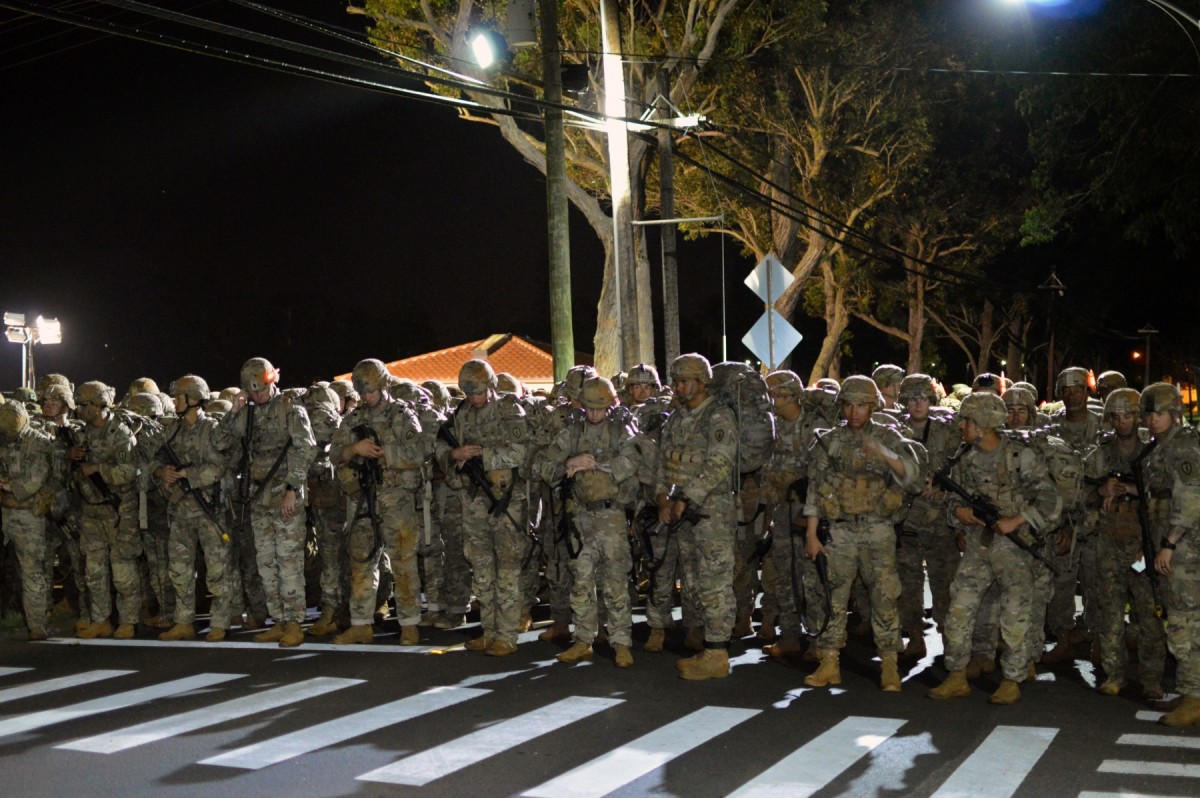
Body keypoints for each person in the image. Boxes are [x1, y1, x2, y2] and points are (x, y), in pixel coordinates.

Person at [929, 392, 1061, 705]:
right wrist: (960, 514)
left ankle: (1012, 678)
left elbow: (1052, 501)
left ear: (985, 424)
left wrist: (1017, 520)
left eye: (968, 420)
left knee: (1015, 614)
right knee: (959, 610)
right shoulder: (965, 457)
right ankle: (956, 674)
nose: (962, 425)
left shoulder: (1019, 456)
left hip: (1015, 549)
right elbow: (953, 500)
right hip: (979, 546)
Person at [803, 376, 926, 692]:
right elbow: (816, 490)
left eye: (861, 405)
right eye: (849, 404)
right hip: (841, 530)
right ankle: (829, 662)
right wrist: (812, 535)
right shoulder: (829, 441)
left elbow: (912, 478)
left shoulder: (890, 436)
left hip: (877, 528)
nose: (854, 411)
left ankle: (889, 666)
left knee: (884, 596)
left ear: (872, 406)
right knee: (835, 595)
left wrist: (883, 452)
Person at [213, 357, 317, 648]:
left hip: (285, 494)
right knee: (266, 564)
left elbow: (305, 448)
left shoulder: (289, 407)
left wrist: (293, 488)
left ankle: (295, 622)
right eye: (252, 391)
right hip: (258, 498)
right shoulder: (245, 413)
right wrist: (233, 411)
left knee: (288, 561)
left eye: (262, 389)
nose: (258, 396)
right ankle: (279, 620)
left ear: (272, 382)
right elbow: (220, 442)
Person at [539, 376, 639, 668]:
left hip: (612, 516)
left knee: (616, 580)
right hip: (580, 515)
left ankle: (621, 642)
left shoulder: (622, 431)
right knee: (581, 580)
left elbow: (633, 462)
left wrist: (595, 464)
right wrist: (568, 464)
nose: (595, 415)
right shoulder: (571, 433)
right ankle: (583, 640)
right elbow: (542, 465)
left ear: (609, 405)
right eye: (590, 409)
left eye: (600, 408)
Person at [435, 359, 530, 657]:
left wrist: (482, 457)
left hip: (504, 501)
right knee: (482, 569)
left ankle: (507, 636)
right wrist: (455, 453)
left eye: (478, 392)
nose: (474, 399)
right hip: (473, 501)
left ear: (490, 386)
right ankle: (489, 631)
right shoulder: (461, 413)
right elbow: (439, 445)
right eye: (468, 393)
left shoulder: (509, 409)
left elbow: (521, 450)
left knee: (507, 569)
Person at [330, 360, 426, 646]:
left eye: (371, 391)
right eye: (362, 392)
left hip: (396, 500)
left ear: (383, 385)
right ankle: (361, 624)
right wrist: (353, 449)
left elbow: (419, 451)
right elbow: (335, 453)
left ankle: (409, 624)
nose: (367, 397)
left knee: (403, 562)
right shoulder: (354, 417)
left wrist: (385, 454)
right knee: (361, 562)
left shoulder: (401, 413)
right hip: (363, 499)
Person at [656, 353, 738, 680]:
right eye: (675, 381)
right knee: (693, 579)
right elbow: (664, 462)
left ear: (702, 381)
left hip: (712, 514)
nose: (678, 386)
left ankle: (717, 654)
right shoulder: (677, 418)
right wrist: (663, 498)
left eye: (684, 380)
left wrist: (686, 498)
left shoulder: (718, 417)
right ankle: (707, 646)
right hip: (684, 514)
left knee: (715, 582)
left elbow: (719, 464)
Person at [1085, 387, 1166, 699]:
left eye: (1129, 415)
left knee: (1148, 616)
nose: (1123, 422)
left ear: (1139, 416)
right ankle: (1115, 673)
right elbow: (1079, 497)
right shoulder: (1099, 455)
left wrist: (1133, 490)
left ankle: (1151, 680)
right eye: (1116, 416)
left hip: (1143, 545)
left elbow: (1168, 498)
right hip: (1108, 542)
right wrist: (1100, 493)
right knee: (1110, 613)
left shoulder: (1154, 453)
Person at [155, 375, 236, 642]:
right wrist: (162, 472)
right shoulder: (171, 431)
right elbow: (150, 462)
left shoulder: (212, 429)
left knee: (217, 569)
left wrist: (188, 474)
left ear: (194, 399)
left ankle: (220, 622)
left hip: (208, 510)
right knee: (179, 570)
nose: (175, 402)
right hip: (180, 511)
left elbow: (219, 467)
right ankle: (183, 621)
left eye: (179, 397)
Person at [1143, 383, 1200, 727]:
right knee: (1180, 618)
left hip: (1186, 550)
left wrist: (1171, 542)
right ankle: (1189, 689)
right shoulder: (1164, 447)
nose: (1152, 420)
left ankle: (1194, 697)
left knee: (1184, 622)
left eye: (1159, 413)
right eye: (1148, 414)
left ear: (1174, 414)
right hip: (1173, 544)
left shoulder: (1184, 446)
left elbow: (1192, 499)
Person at [758, 370, 825, 658]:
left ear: (791, 396)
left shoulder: (813, 427)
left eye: (776, 396)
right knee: (784, 575)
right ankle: (789, 636)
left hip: (808, 514)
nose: (773, 402)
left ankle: (818, 640)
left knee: (812, 578)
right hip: (782, 513)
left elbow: (822, 474)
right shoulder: (773, 428)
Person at [895, 373, 961, 658]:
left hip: (940, 521)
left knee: (945, 582)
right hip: (906, 519)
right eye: (912, 398)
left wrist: (944, 490)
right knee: (908, 584)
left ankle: (949, 639)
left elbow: (962, 467)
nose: (918, 404)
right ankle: (914, 636)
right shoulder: (895, 431)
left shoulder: (948, 429)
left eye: (923, 398)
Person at [71, 381, 141, 639]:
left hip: (119, 510)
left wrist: (98, 469)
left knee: (122, 568)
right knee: (94, 570)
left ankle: (128, 620)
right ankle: (100, 620)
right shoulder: (82, 434)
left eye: (84, 405)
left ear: (99, 405)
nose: (80, 410)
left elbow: (129, 472)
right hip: (91, 511)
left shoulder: (120, 433)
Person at [0, 401, 55, 640]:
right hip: (5, 511)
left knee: (32, 570)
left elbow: (35, 480)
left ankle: (36, 625)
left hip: (28, 515)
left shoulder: (39, 442)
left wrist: (9, 487)